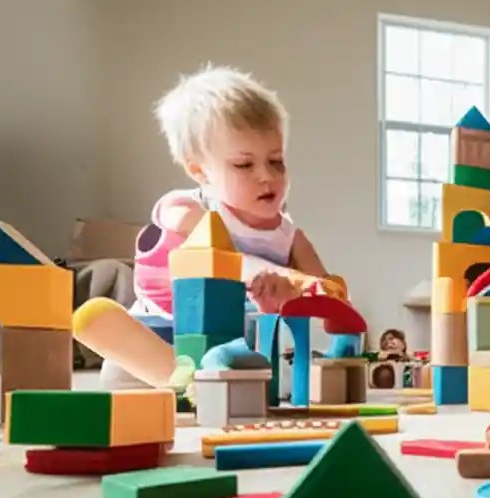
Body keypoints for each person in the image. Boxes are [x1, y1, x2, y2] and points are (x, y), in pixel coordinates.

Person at [102, 64, 336, 389]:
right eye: (244, 164)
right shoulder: (184, 209)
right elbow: (226, 256)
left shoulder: (291, 237)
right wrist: (289, 279)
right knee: (118, 375)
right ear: (200, 171)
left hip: (230, 341)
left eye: (276, 161)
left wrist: (293, 298)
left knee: (268, 372)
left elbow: (329, 299)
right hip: (160, 330)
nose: (266, 176)